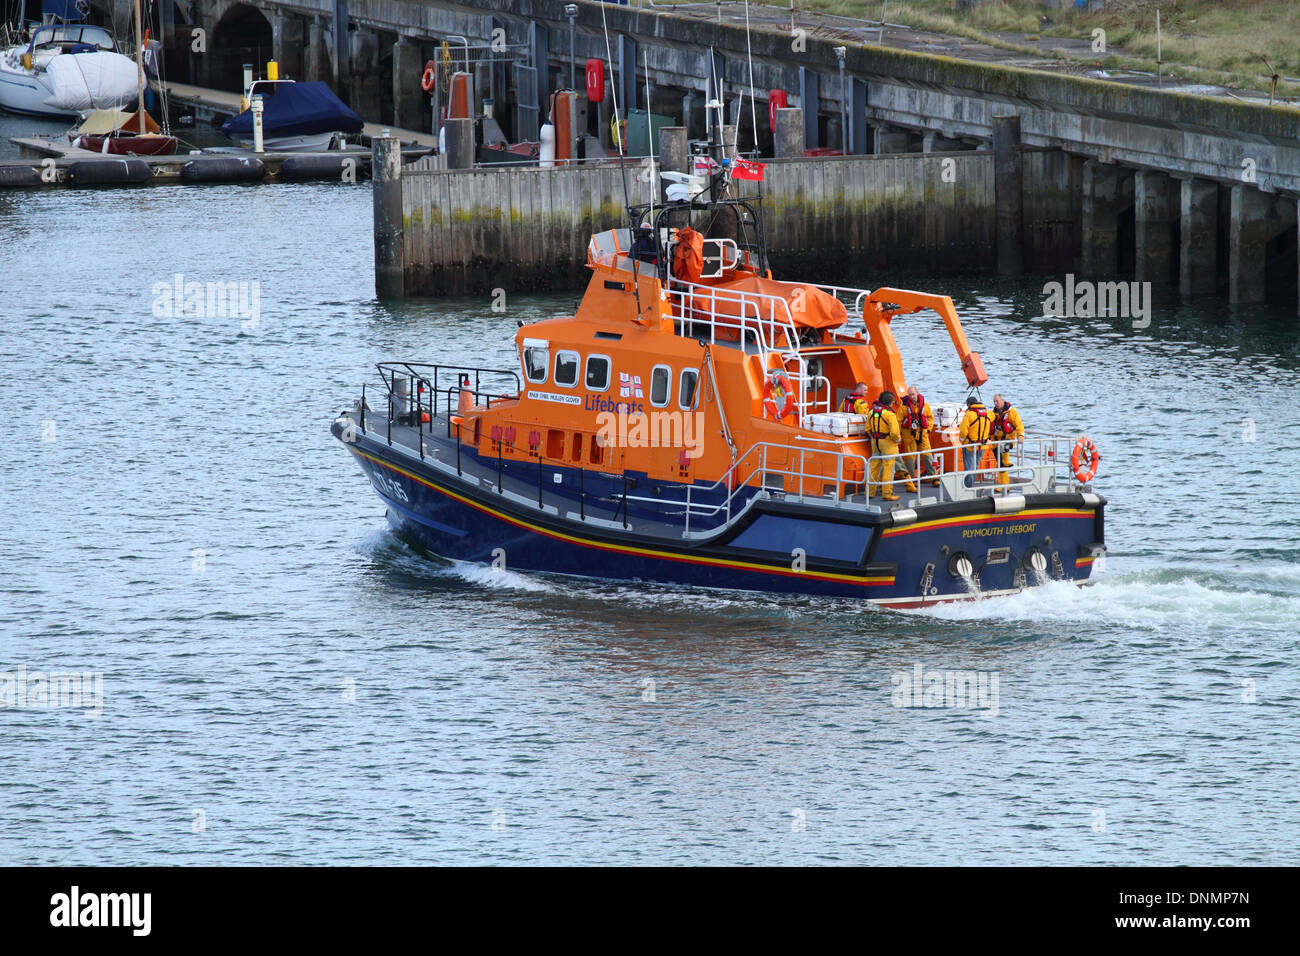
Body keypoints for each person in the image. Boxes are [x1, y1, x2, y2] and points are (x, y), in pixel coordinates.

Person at [898, 385, 939, 491]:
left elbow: (930, 418)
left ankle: (934, 477)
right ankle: (911, 479)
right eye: (910, 394)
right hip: (909, 435)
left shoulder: (925, 405)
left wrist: (928, 429)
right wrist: (899, 434)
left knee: (927, 455)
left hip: (923, 434)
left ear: (917, 393)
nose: (912, 396)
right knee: (910, 458)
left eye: (913, 394)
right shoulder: (903, 407)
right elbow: (898, 421)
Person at [867, 390, 902, 501]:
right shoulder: (890, 414)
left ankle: (870, 492)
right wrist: (898, 440)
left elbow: (867, 429)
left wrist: (874, 436)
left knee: (874, 467)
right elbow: (895, 433)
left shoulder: (872, 412)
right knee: (888, 468)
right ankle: (887, 493)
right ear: (891, 402)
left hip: (875, 442)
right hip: (888, 444)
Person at [958, 395, 993, 487]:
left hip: (970, 446)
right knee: (975, 466)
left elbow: (963, 430)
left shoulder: (969, 414)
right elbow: (993, 419)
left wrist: (962, 440)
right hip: (983, 445)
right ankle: (971, 483)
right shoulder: (988, 413)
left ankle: (968, 486)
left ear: (969, 405)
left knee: (969, 467)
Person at [991, 393, 1025, 485]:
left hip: (1007, 440)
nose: (995, 403)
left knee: (1002, 463)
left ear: (1003, 400)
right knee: (1000, 465)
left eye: (997, 401)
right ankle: (1004, 485)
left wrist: (1020, 436)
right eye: (994, 401)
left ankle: (1004, 485)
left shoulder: (1011, 412)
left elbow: (1019, 425)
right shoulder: (994, 413)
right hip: (996, 441)